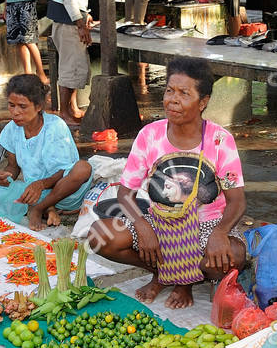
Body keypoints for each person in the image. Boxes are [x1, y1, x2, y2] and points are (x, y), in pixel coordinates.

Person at [89, 58, 246, 309]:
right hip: (160, 222)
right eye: (169, 90)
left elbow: (237, 201)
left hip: (206, 224)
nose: (173, 99)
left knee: (234, 256)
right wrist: (141, 224)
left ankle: (185, 281)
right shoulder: (150, 135)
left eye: (184, 93)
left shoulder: (219, 139)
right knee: (99, 236)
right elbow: (125, 193)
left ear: (202, 102)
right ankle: (164, 274)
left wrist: (220, 232)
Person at [0, 74, 92, 229]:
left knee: (82, 168)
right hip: (32, 193)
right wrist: (7, 176)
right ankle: (40, 209)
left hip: (61, 192)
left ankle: (39, 209)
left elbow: (63, 171)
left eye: (22, 106)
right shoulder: (11, 129)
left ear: (38, 106)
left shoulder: (55, 127)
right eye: (11, 105)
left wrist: (40, 185)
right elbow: (13, 167)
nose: (15, 112)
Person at [46, 0, 93, 124]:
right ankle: (65, 112)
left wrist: (85, 15)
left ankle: (72, 107)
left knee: (74, 66)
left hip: (70, 20)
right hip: (68, 24)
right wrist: (80, 24)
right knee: (69, 68)